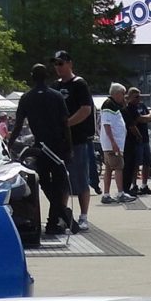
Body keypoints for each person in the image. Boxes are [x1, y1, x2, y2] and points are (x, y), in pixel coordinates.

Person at [9, 62, 74, 237]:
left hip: (40, 148)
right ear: (47, 76)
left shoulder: (26, 98)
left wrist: (8, 144)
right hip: (58, 146)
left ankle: (59, 214)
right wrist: (69, 147)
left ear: (32, 77)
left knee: (44, 182)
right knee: (59, 184)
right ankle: (56, 218)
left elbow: (17, 126)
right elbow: (65, 124)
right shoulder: (56, 96)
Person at [52, 50, 96, 231]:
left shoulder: (79, 84)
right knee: (62, 179)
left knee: (81, 178)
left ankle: (83, 216)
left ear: (70, 63)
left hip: (78, 139)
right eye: (55, 64)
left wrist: (67, 124)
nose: (58, 67)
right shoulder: (54, 86)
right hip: (60, 142)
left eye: (61, 63)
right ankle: (63, 215)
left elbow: (86, 110)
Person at [98, 84, 132, 204]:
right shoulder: (109, 105)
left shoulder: (113, 105)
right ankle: (120, 193)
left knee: (108, 168)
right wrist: (113, 142)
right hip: (112, 144)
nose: (124, 96)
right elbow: (107, 124)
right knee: (118, 166)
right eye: (123, 94)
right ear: (117, 93)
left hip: (110, 144)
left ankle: (106, 194)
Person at [126, 86, 151, 195]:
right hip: (135, 140)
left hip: (145, 139)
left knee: (147, 162)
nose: (139, 99)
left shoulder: (142, 106)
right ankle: (134, 185)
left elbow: (149, 119)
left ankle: (144, 185)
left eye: (140, 96)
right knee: (136, 163)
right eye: (136, 97)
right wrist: (150, 115)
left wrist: (149, 116)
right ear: (130, 97)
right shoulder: (130, 108)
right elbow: (141, 119)